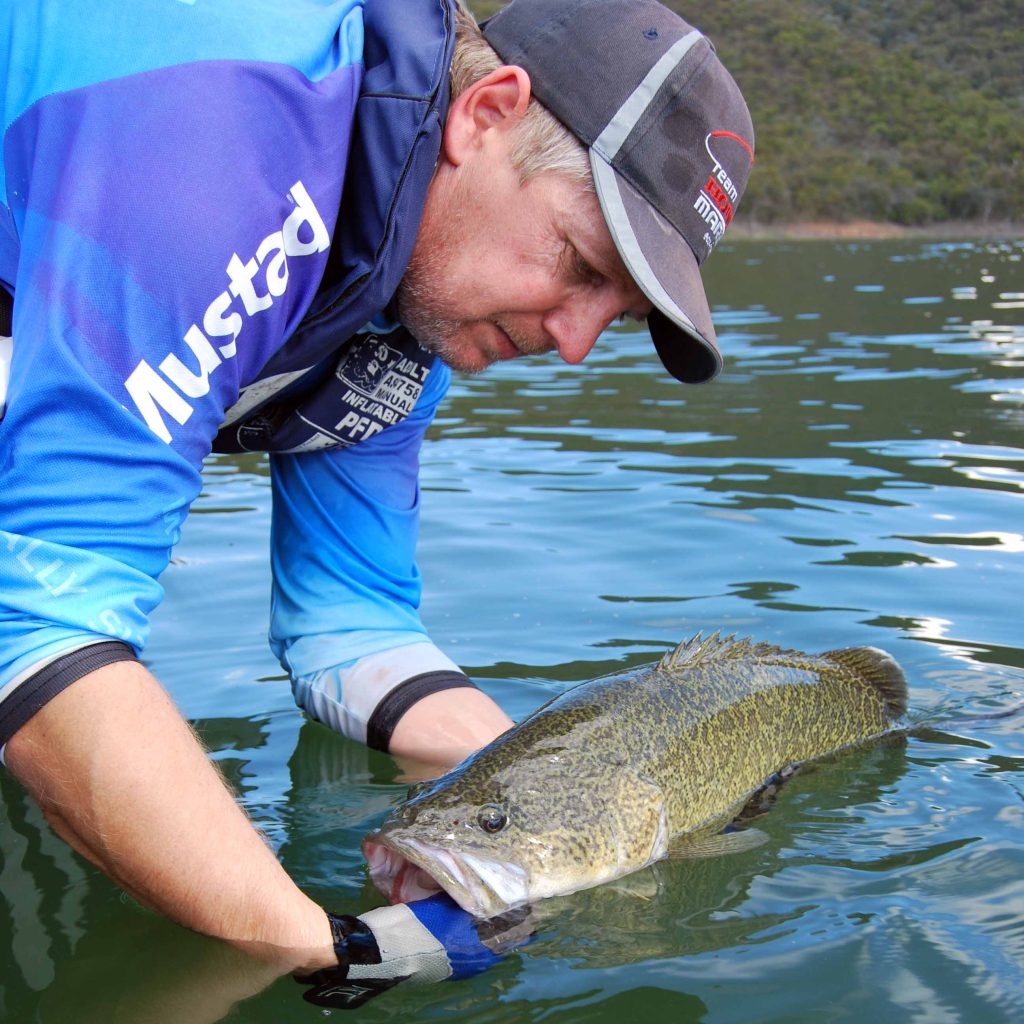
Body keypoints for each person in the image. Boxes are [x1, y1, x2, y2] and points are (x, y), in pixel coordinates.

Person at [0, 0, 753, 996]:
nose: (573, 341)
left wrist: (542, 802)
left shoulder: (412, 298)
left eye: (613, 312)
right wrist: (329, 947)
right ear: (485, 113)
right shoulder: (220, 145)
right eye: (579, 261)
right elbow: (35, 626)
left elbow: (350, 629)